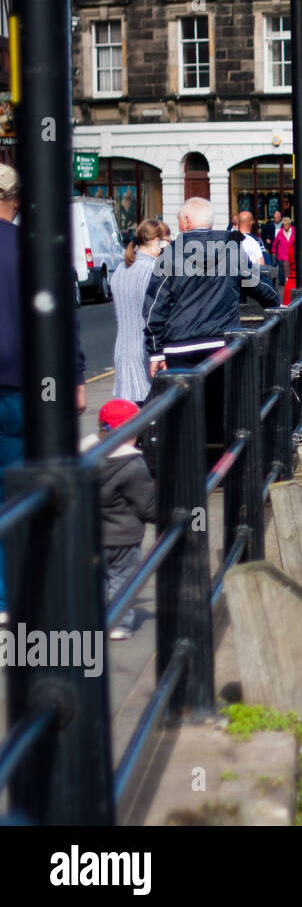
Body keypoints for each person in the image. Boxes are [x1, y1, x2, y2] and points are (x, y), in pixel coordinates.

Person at [1, 165, 87, 625]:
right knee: (21, 491)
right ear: (16, 201)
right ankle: (14, 596)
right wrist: (74, 376)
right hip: (23, 389)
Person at [143, 196, 277, 460]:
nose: (178, 224)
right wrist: (277, 304)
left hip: (180, 346)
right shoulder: (230, 250)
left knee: (183, 410)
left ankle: (187, 469)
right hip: (222, 343)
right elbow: (260, 288)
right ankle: (226, 465)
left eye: (180, 218)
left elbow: (154, 308)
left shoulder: (171, 255)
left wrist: (156, 351)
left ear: (188, 221)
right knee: (223, 407)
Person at [87, 399, 156, 641]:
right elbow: (147, 506)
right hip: (124, 538)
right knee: (123, 581)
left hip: (90, 536)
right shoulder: (133, 466)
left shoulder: (86, 459)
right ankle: (118, 625)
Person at [111, 219, 169, 403]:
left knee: (129, 416)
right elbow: (157, 314)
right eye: (168, 240)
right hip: (146, 353)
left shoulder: (120, 268)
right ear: (157, 241)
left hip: (122, 351)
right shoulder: (154, 269)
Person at [271, 215, 294, 285]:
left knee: (290, 267)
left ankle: (288, 280)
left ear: (289, 224)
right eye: (284, 224)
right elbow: (275, 243)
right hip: (282, 254)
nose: (285, 226)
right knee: (282, 269)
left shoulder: (294, 231)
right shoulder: (280, 232)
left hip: (291, 253)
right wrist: (274, 251)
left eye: (287, 224)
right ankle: (283, 281)